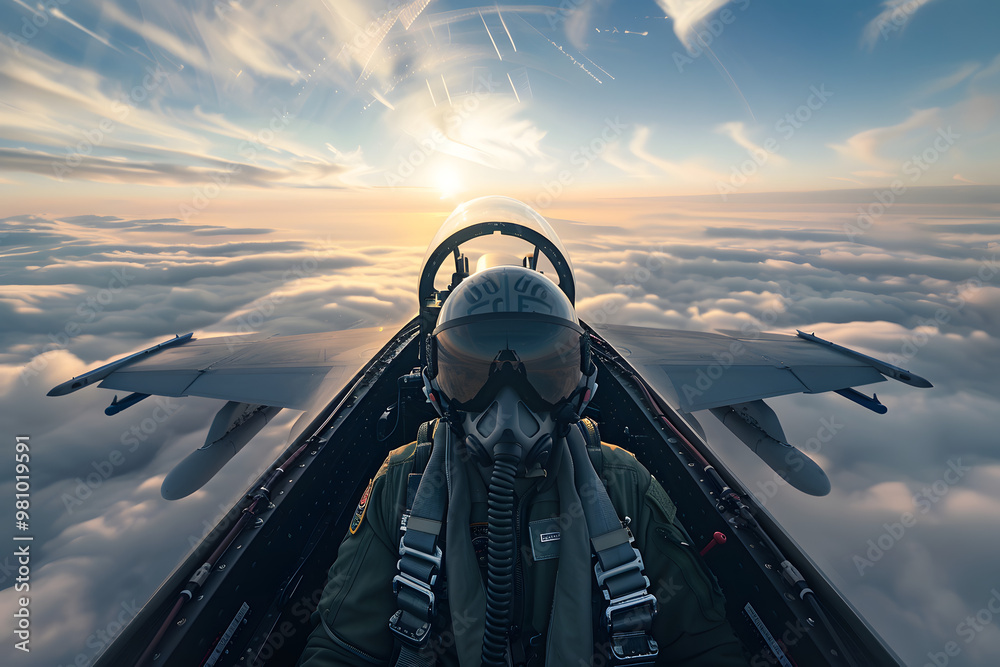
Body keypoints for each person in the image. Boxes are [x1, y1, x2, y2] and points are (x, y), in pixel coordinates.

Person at [298, 265, 746, 666]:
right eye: (473, 377)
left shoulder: (622, 484)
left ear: (579, 383)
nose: (507, 411)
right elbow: (340, 650)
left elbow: (705, 649)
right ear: (437, 387)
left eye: (542, 376)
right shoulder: (402, 483)